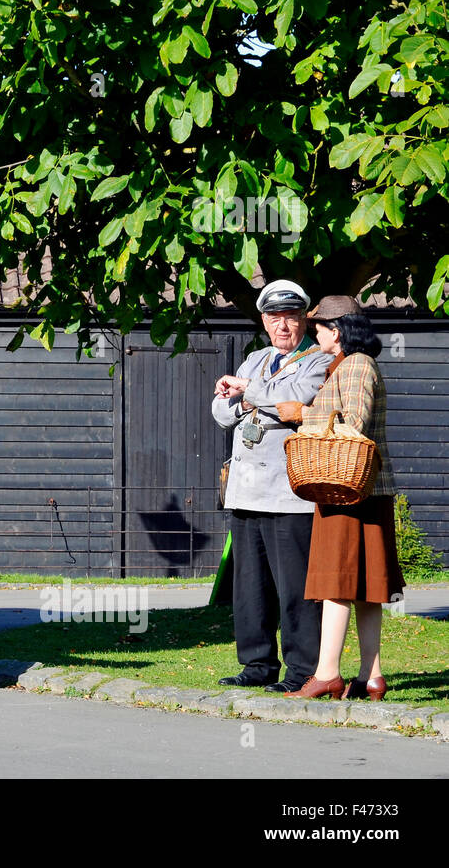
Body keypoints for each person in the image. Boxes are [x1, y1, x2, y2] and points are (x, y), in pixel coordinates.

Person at [274, 297, 404, 700]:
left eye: (320, 327)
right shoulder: (348, 364)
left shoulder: (356, 364)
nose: (314, 332)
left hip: (350, 489)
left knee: (336, 582)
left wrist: (303, 414)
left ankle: (327, 673)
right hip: (359, 489)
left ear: (339, 329)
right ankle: (371, 677)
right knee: (366, 588)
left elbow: (355, 421)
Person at [211, 279, 331, 692]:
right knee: (251, 589)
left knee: (296, 590)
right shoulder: (256, 359)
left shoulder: (317, 360)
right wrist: (246, 398)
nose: (284, 326)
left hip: (289, 493)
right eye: (275, 318)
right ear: (264, 321)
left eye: (292, 317)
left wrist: (247, 393)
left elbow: (298, 399)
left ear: (304, 320)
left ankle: (303, 671)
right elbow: (221, 412)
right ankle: (257, 665)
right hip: (245, 491)